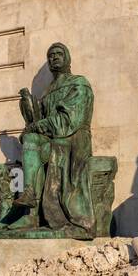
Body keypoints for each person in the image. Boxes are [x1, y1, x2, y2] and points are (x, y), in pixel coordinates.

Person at [12, 42, 96, 238]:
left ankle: (42, 206)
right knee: (31, 139)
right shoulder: (48, 91)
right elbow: (40, 122)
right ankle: (31, 207)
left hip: (73, 138)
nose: (54, 57)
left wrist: (39, 126)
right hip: (55, 138)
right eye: (50, 55)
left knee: (40, 140)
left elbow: (69, 120)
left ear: (67, 58)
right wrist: (29, 110)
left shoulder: (79, 83)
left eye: (58, 54)